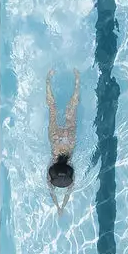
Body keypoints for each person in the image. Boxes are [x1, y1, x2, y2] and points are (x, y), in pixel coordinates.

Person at [47, 70, 80, 209]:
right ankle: (48, 81)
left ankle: (77, 81)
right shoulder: (50, 170)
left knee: (71, 109)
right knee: (53, 109)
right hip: (55, 141)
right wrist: (58, 206)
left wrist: (61, 206)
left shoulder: (71, 168)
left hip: (69, 141)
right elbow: (52, 191)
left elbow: (68, 192)